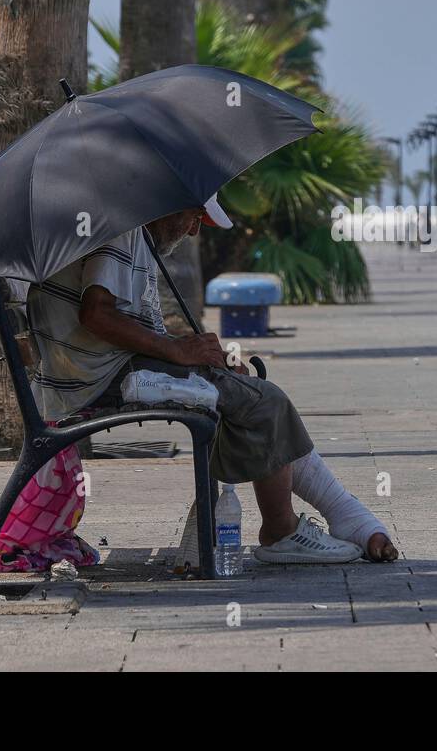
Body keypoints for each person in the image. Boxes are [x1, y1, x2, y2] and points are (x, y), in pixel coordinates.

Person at [26, 195, 398, 563]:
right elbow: (96, 315)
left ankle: (327, 517)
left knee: (250, 393)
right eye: (194, 218)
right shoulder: (121, 232)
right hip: (99, 377)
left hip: (97, 370)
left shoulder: (129, 232)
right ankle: (282, 530)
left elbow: (120, 324)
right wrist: (176, 352)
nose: (192, 231)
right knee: (263, 401)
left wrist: (199, 356)